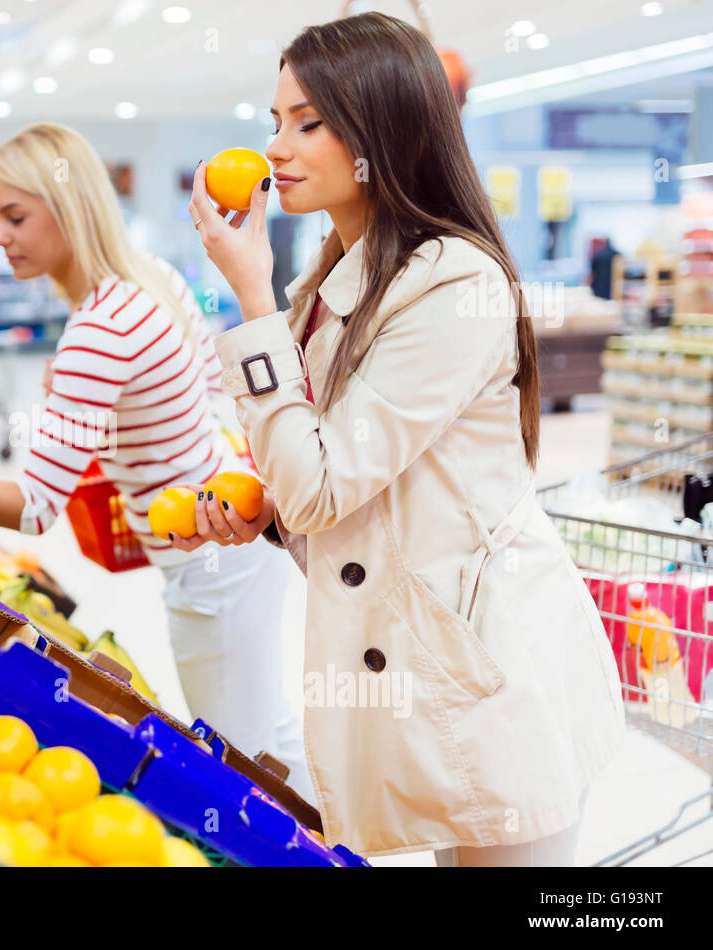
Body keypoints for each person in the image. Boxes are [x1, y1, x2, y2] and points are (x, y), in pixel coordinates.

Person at [176, 12, 625, 864]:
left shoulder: (456, 283)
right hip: (418, 671)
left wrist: (249, 296)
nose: (277, 147)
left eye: (309, 122)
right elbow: (325, 477)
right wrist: (268, 513)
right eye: (275, 121)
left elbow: (326, 482)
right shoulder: (326, 283)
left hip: (491, 676)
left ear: (382, 129)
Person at [0, 122, 315, 805]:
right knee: (271, 741)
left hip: (208, 558)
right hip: (240, 525)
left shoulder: (98, 330)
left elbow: (36, 507)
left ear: (67, 209)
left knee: (243, 775)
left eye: (15, 216)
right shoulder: (149, 278)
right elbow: (213, 387)